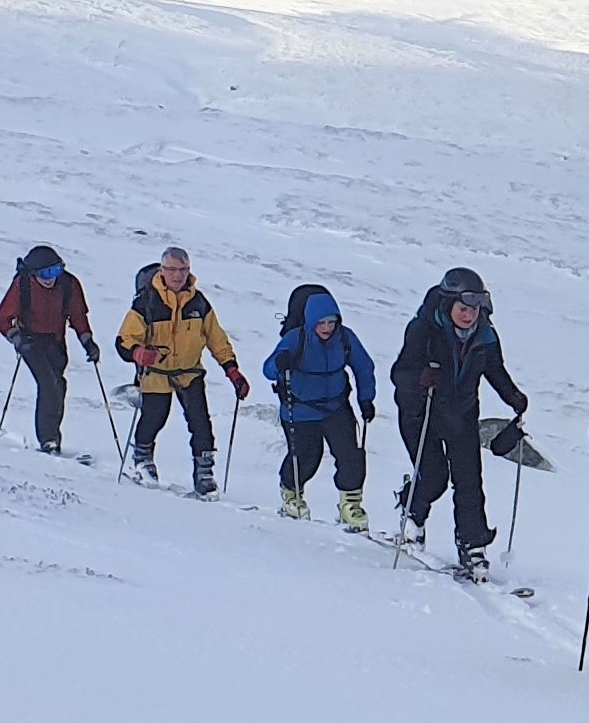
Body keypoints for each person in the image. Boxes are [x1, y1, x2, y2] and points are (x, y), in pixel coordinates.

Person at [389, 267, 528, 578]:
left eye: (474, 309)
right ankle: (413, 512)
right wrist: (420, 380)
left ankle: (472, 544)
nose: (468, 315)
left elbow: (495, 370)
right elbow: (399, 373)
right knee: (434, 476)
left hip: (461, 413)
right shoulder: (423, 330)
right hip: (419, 412)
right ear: (448, 305)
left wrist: (513, 396)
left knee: (469, 480)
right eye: (463, 309)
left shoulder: (486, 336)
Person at [115, 246, 247, 494]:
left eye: (183, 270)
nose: (178, 275)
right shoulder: (146, 302)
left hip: (189, 372)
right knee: (155, 417)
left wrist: (232, 370)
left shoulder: (199, 302)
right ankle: (142, 459)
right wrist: (137, 353)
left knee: (201, 423)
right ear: (162, 270)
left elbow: (216, 339)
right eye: (173, 270)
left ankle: (204, 473)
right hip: (155, 374)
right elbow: (124, 339)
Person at [265, 289, 377, 528]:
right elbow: (268, 369)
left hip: (336, 407)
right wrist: (280, 363)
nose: (327, 328)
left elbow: (364, 367)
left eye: (331, 322)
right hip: (301, 409)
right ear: (310, 321)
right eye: (321, 323)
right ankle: (291, 493)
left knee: (350, 455)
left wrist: (366, 399)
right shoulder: (296, 339)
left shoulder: (345, 339)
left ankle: (350, 503)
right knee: (306, 456)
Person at [0, 244, 100, 455]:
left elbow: (78, 316)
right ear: (33, 274)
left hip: (56, 342)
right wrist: (16, 338)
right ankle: (48, 440)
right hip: (30, 342)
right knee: (49, 384)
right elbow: (2, 318)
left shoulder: (69, 284)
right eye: (45, 273)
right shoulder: (23, 284)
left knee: (58, 385)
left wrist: (88, 342)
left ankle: (52, 438)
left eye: (56, 271)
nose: (51, 278)